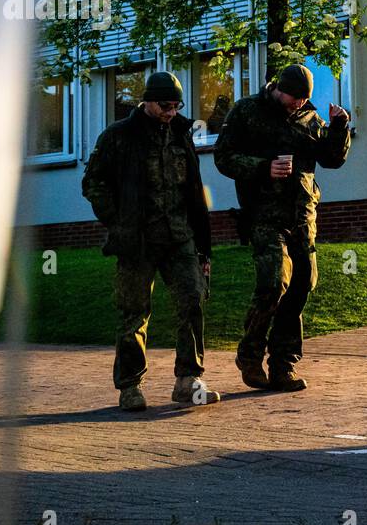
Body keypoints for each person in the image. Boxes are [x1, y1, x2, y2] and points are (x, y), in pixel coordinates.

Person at [81, 71, 220, 411]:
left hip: (180, 237)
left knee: (192, 299)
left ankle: (189, 380)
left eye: (176, 106)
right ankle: (130, 386)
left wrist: (204, 248)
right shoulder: (119, 136)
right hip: (136, 241)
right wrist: (117, 220)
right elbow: (93, 182)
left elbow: (194, 192)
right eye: (165, 106)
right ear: (147, 101)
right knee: (135, 312)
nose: (171, 112)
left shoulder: (181, 133)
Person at [214, 63, 351, 392]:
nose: (299, 103)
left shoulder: (309, 118)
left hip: (303, 215)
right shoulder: (248, 111)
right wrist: (264, 168)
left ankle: (282, 366)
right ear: (278, 87)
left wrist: (340, 126)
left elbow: (332, 159)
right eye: (294, 97)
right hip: (264, 214)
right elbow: (223, 157)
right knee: (275, 283)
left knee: (303, 284)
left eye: (305, 99)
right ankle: (250, 354)